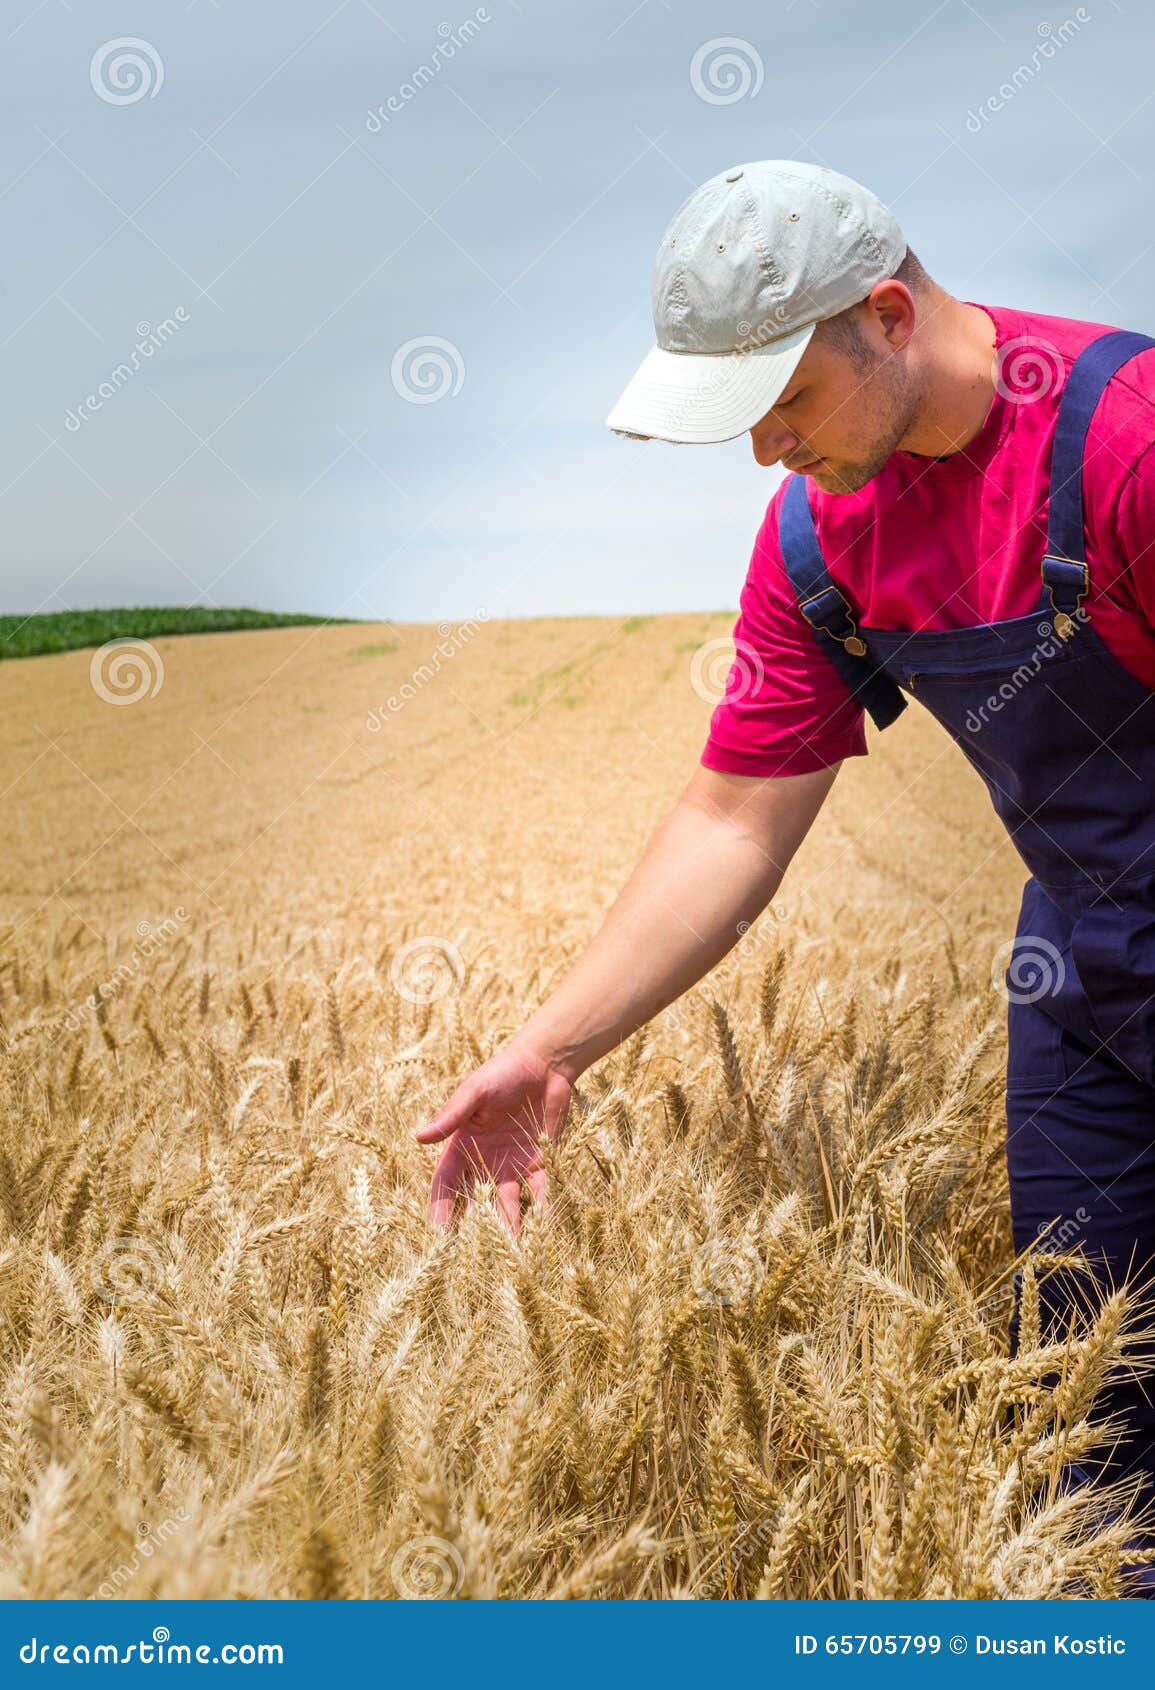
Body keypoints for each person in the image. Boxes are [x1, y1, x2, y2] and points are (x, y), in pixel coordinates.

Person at [415, 159, 1155, 1531]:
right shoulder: (820, 536)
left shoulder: (1132, 446)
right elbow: (732, 820)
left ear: (886, 315)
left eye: (779, 405)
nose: (764, 451)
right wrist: (551, 1045)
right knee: (1087, 1411)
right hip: (1088, 979)